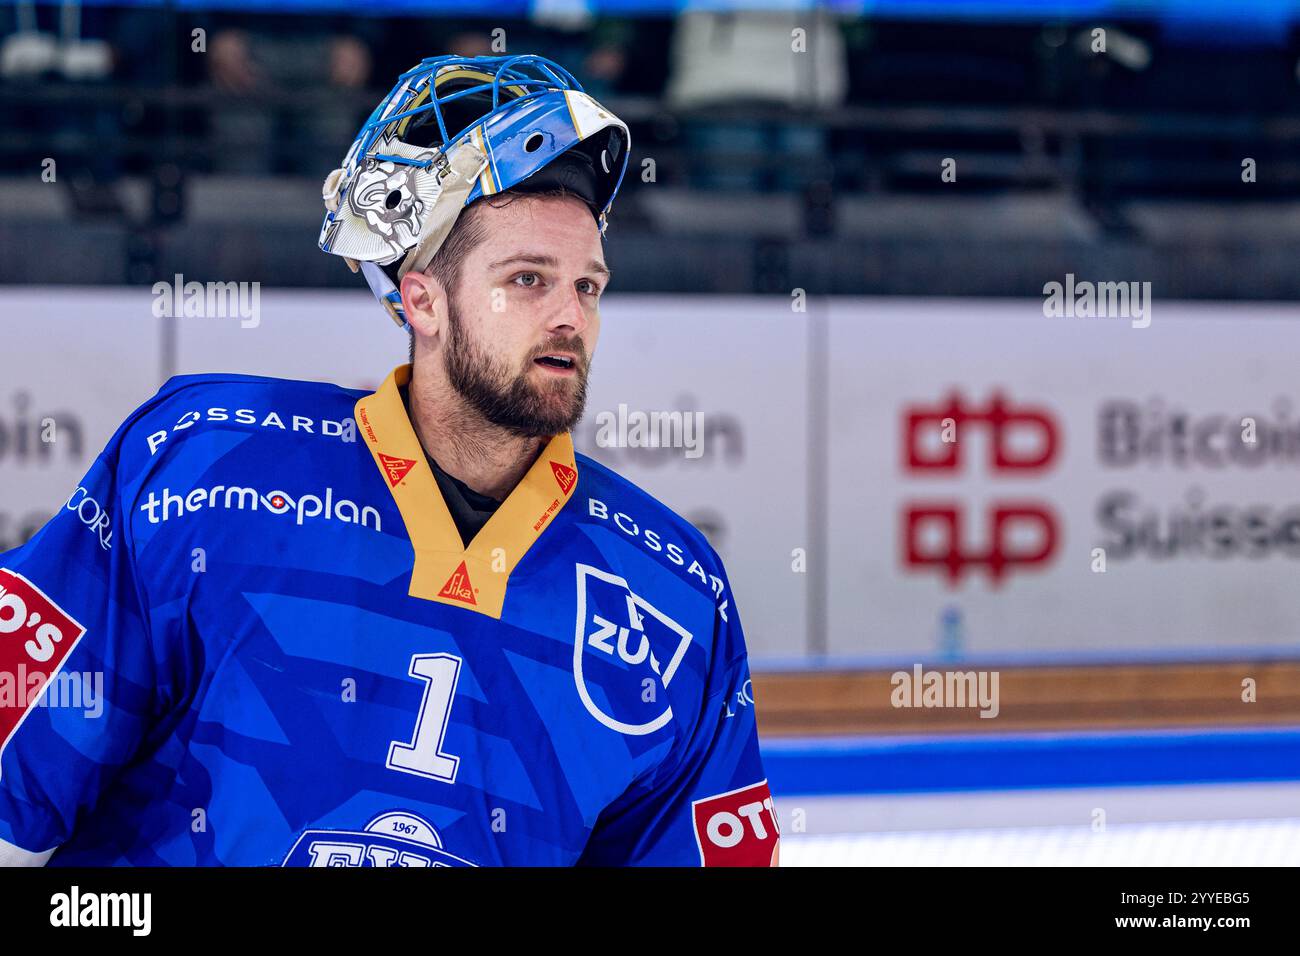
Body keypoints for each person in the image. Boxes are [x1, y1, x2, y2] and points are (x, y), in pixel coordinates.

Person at [0, 54, 778, 867]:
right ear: (422, 299)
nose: (567, 317)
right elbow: (16, 779)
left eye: (587, 287)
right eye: (527, 278)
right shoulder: (204, 468)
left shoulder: (676, 600)